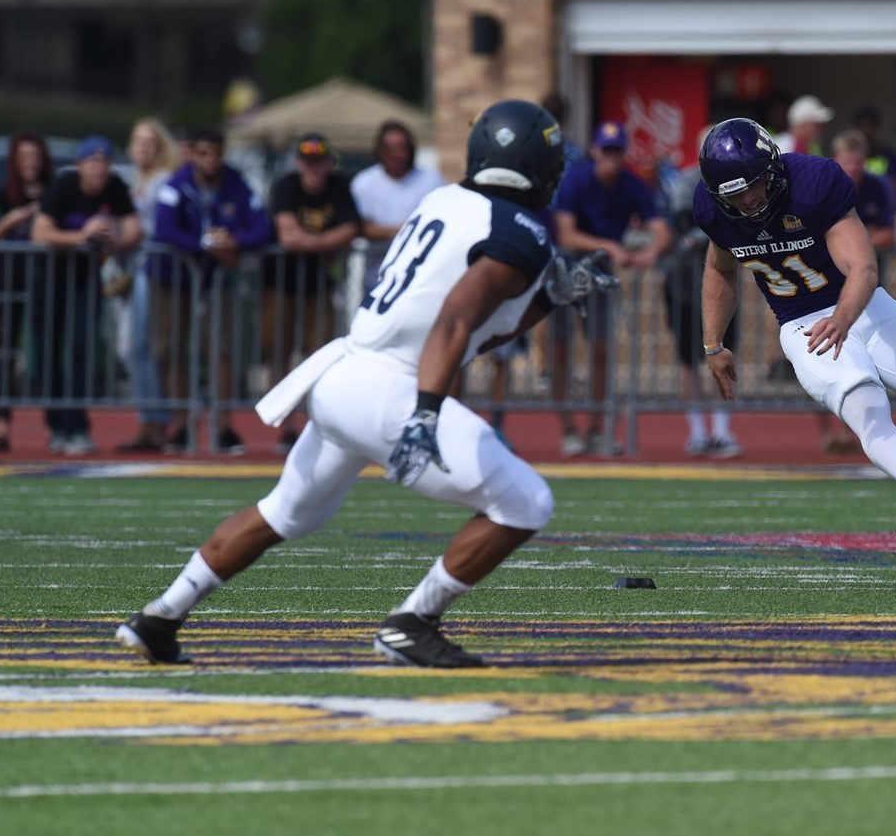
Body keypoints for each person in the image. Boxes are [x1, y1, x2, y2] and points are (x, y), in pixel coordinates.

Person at [115, 99, 617, 668]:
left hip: (342, 376)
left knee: (283, 511)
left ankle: (160, 615)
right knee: (527, 502)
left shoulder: (445, 200)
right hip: (392, 390)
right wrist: (427, 412)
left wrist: (548, 298)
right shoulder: (521, 232)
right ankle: (412, 623)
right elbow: (455, 319)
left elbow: (471, 328)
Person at [694, 118, 896, 560]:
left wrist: (842, 318)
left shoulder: (814, 181)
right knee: (865, 402)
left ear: (773, 167)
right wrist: (713, 343)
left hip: (860, 304)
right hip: (800, 322)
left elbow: (863, 267)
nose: (749, 200)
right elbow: (719, 267)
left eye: (755, 185)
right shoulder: (713, 212)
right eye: (734, 194)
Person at [550, 120, 671, 456]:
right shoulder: (576, 180)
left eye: (617, 151)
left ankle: (596, 428)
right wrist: (609, 247)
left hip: (598, 273)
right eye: (606, 151)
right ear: (594, 151)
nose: (612, 158)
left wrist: (651, 250)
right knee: (559, 350)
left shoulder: (631, 183)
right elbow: (565, 234)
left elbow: (661, 229)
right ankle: (568, 429)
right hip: (564, 268)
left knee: (602, 349)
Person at [150, 127, 272, 455]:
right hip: (173, 280)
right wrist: (205, 244)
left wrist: (235, 242)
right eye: (203, 153)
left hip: (219, 280)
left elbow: (263, 226)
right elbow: (164, 230)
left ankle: (222, 426)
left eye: (215, 153)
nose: (210, 160)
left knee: (221, 352)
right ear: (193, 154)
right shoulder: (176, 184)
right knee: (169, 350)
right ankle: (181, 425)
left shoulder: (235, 183)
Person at [31, 136, 142, 455]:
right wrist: (82, 235)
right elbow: (41, 232)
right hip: (50, 276)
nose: (99, 168)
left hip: (84, 277)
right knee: (50, 350)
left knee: (81, 346)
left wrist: (114, 238)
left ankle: (78, 424)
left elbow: (134, 228)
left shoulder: (115, 187)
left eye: (104, 162)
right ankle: (57, 426)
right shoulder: (63, 186)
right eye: (92, 162)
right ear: (80, 165)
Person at [264, 134, 364, 452]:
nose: (314, 168)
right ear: (298, 162)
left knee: (319, 355)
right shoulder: (285, 186)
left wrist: (311, 244)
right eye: (308, 161)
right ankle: (286, 425)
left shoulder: (339, 185)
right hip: (280, 283)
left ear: (328, 162)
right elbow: (288, 235)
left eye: (319, 161)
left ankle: (315, 424)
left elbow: (351, 229)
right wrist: (326, 243)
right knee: (278, 351)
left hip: (319, 286)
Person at [813, 129, 896, 454]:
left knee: (869, 359)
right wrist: (856, 243)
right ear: (835, 160)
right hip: (822, 288)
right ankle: (828, 431)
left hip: (867, 290)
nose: (853, 168)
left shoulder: (878, 186)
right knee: (819, 356)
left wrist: (853, 247)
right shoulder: (822, 185)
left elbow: (889, 234)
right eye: (846, 161)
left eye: (858, 162)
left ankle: (865, 430)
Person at [662, 160, 741, 459]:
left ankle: (721, 430)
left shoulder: (737, 180)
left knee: (725, 352)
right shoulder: (686, 182)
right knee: (688, 358)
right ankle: (697, 431)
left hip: (721, 285)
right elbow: (683, 228)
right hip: (685, 284)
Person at [0, 134, 54, 451]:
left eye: (35, 155)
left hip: (45, 280)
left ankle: (55, 428)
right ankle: (1, 428)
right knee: (7, 353)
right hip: (7, 281)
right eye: (24, 156)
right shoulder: (1, 195)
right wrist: (14, 219)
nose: (30, 162)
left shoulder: (53, 195)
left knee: (48, 352)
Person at [116, 118, 183, 452]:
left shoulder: (163, 180)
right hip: (136, 269)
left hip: (152, 269)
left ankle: (155, 421)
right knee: (133, 348)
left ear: (159, 147)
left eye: (149, 141)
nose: (142, 147)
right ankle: (150, 417)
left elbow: (153, 228)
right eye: (137, 140)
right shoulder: (134, 179)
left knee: (140, 347)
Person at [350, 119, 443, 243]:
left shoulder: (432, 179)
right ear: (379, 150)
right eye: (389, 149)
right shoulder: (363, 182)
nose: (396, 154)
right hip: (378, 260)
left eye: (401, 148)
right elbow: (363, 228)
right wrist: (405, 229)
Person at [849, 104, 896, 204]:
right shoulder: (847, 157)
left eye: (868, 126)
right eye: (860, 126)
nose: (864, 131)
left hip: (880, 211)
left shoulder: (888, 157)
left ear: (876, 127)